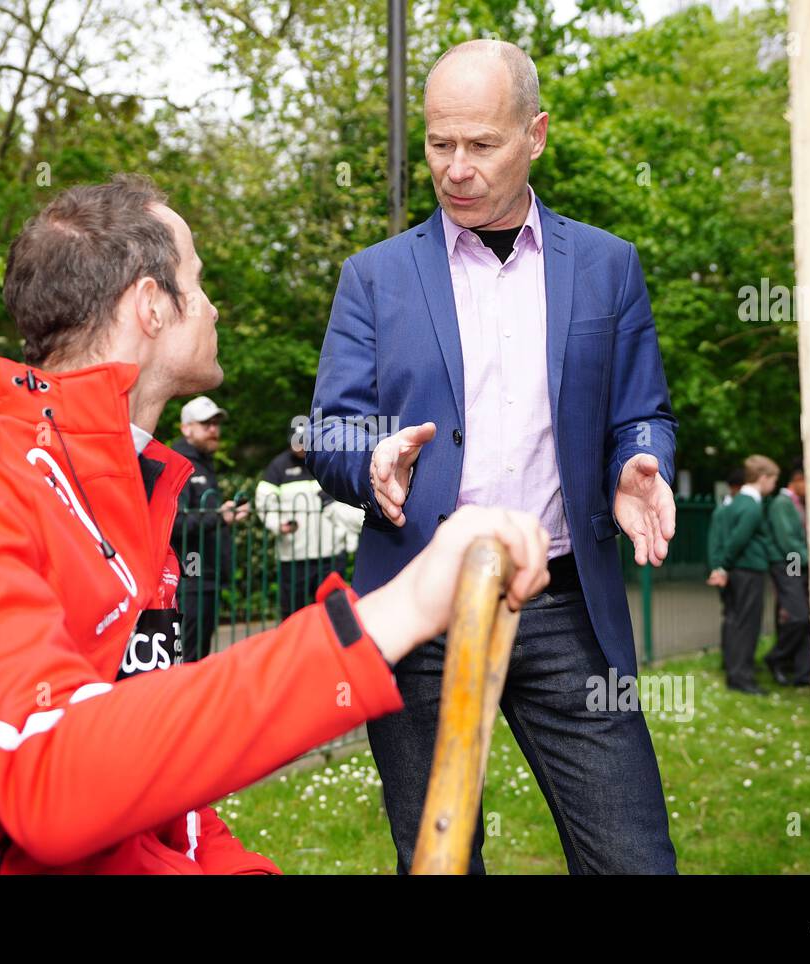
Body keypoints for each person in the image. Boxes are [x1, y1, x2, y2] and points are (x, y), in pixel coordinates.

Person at [0, 173, 552, 874]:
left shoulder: (129, 500)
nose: (212, 309)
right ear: (150, 305)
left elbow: (169, 809)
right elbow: (52, 777)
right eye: (198, 283)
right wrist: (402, 608)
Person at [308, 40, 678, 874]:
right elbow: (328, 431)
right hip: (417, 606)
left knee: (635, 858)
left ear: (536, 134)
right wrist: (370, 460)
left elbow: (643, 413)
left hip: (564, 604)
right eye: (440, 144)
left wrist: (637, 462)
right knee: (437, 859)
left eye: (481, 144)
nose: (456, 168)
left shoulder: (609, 267)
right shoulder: (373, 278)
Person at [255, 418, 364, 620]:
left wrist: (348, 539)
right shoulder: (278, 466)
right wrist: (277, 525)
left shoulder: (329, 462)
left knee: (332, 614)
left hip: (330, 553)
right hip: (293, 556)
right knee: (292, 615)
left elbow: (349, 505)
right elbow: (264, 504)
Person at [171, 396, 249, 661]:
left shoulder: (204, 463)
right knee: (187, 655)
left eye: (216, 423)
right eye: (206, 424)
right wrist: (220, 517)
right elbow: (174, 522)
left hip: (207, 577)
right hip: (189, 578)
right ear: (186, 428)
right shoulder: (178, 463)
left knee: (199, 653)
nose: (214, 429)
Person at [714, 455, 780, 694]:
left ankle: (735, 672)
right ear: (763, 478)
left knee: (735, 622)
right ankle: (743, 678)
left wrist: (723, 567)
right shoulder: (752, 506)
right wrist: (725, 565)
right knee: (748, 625)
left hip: (738, 571)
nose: (774, 486)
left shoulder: (735, 503)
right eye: (773, 480)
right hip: (748, 570)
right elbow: (737, 540)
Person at [764, 459, 810, 686]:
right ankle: (776, 658)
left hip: (797, 565)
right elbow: (788, 542)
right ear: (797, 480)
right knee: (798, 616)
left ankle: (803, 673)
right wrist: (807, 561)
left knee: (805, 619)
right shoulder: (783, 504)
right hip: (789, 565)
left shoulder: (796, 503)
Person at [706, 467, 745, 662]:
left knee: (733, 615)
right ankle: (730, 659)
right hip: (725, 570)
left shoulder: (728, 509)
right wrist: (718, 569)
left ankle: (732, 658)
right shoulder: (723, 512)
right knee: (731, 616)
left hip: (729, 570)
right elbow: (715, 544)